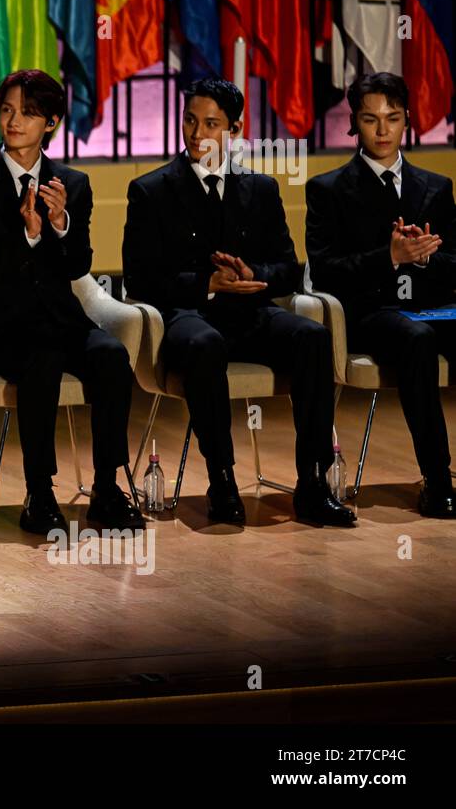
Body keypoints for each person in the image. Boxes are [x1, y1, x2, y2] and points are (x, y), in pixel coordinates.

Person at [122, 77, 353, 527]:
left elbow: (288, 269)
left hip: (250, 313)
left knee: (312, 337)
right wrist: (207, 283)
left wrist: (254, 276)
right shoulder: (151, 191)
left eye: (211, 124)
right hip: (188, 317)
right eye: (190, 120)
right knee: (205, 343)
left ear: (235, 130)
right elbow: (140, 279)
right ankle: (222, 479)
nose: (196, 133)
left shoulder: (261, 189)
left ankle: (312, 481)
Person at [0, 69, 144, 535]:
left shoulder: (72, 183)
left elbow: (78, 267)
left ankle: (107, 488)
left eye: (28, 113)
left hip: (61, 320)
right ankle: (40, 492)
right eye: (7, 110)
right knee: (42, 358)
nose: (14, 122)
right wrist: (28, 238)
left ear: (50, 123)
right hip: (4, 326)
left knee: (112, 356)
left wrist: (59, 224)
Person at [305, 72, 456, 518]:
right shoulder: (328, 190)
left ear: (407, 119)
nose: (383, 130)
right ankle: (437, 477)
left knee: (426, 328)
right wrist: (388, 256)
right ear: (354, 123)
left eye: (392, 118)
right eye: (371, 120)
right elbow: (327, 274)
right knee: (415, 337)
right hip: (373, 316)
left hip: (433, 308)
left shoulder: (436, 187)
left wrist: (425, 258)